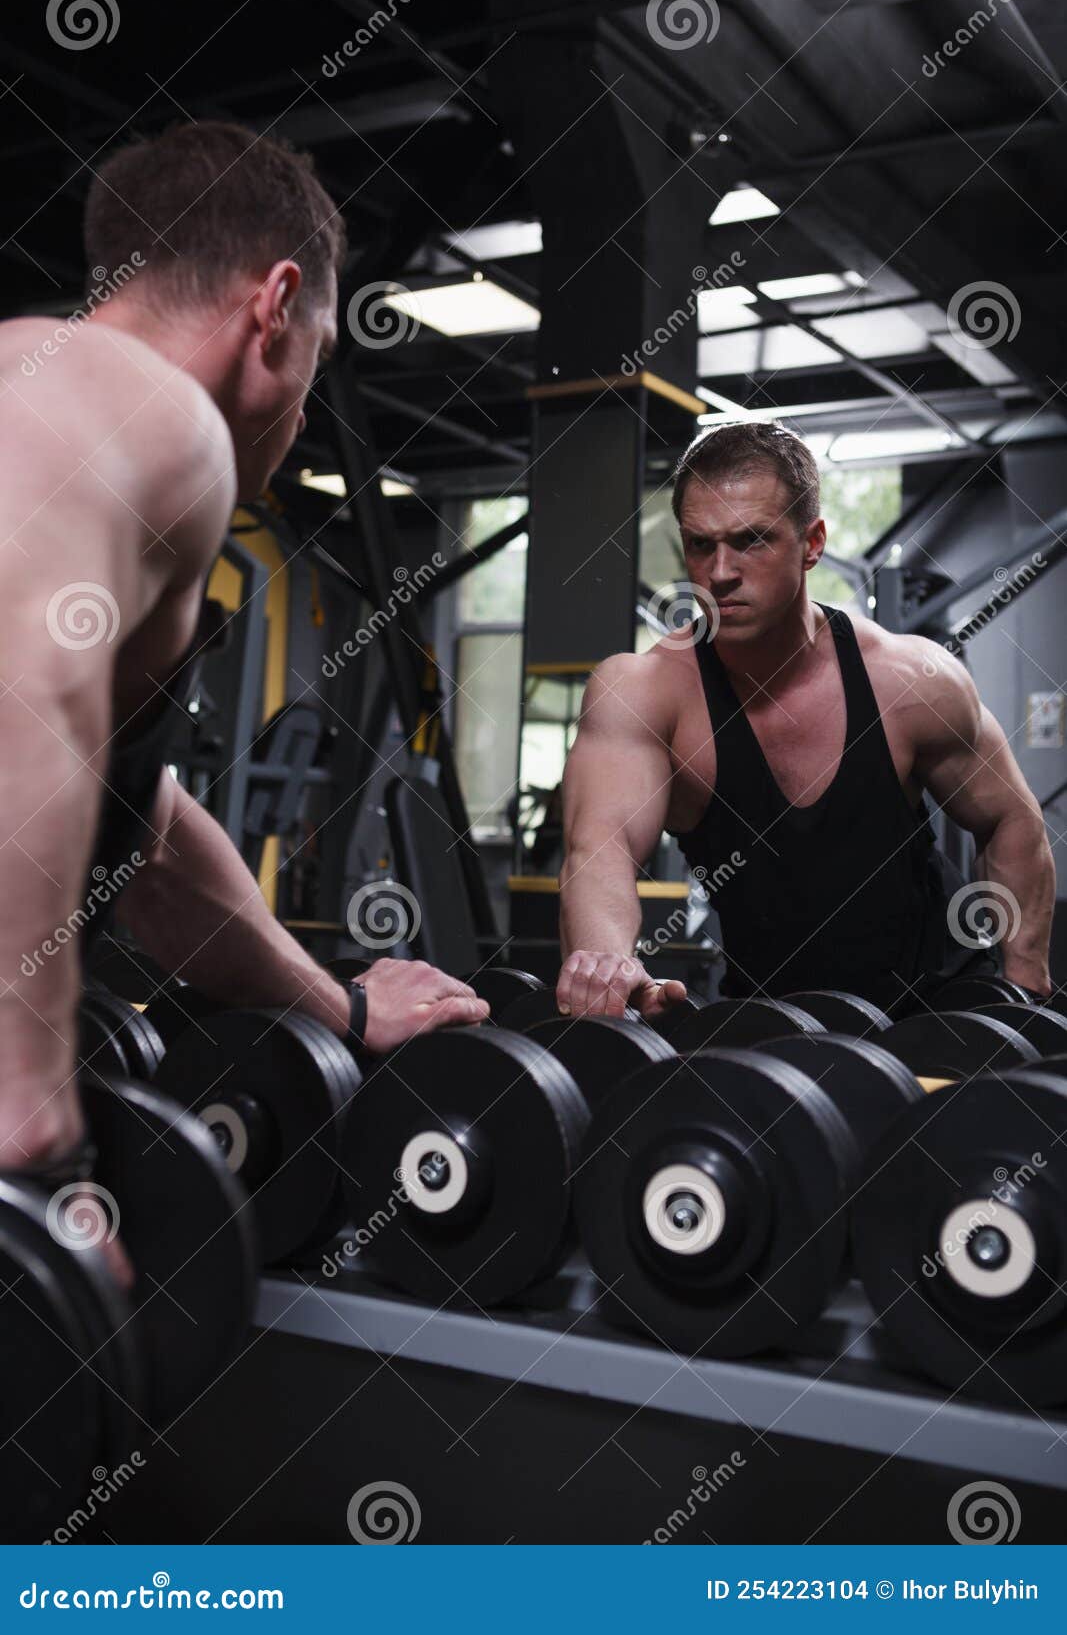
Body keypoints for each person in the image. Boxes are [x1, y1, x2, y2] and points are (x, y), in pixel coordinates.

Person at [0, 121, 489, 1210]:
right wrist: (27, 1108)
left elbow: (150, 843)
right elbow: (22, 666)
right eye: (317, 356)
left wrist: (345, 1012)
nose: (309, 412)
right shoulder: (154, 409)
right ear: (272, 307)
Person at [557, 422, 1055, 1020]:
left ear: (812, 542)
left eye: (751, 541)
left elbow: (1011, 819)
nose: (719, 573)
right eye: (700, 544)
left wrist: (1025, 991)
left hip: (936, 1014)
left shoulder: (910, 679)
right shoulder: (641, 692)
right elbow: (599, 851)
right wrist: (608, 964)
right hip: (771, 1021)